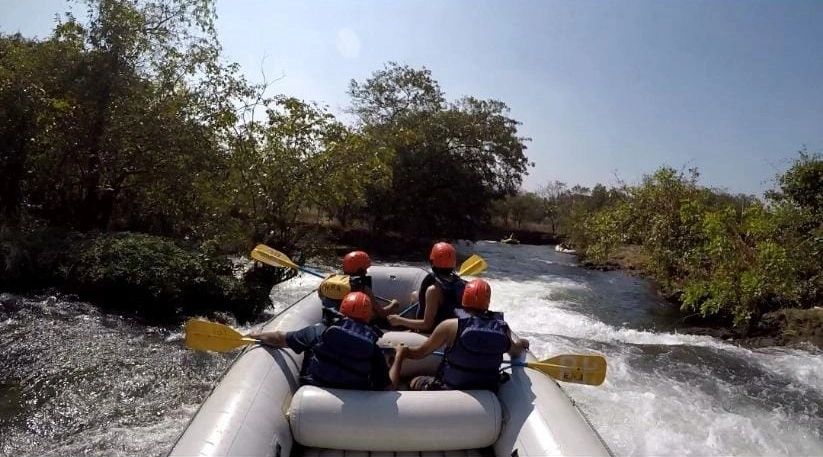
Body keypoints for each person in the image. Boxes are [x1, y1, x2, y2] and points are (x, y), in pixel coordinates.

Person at [393, 279, 529, 392]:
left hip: (450, 387)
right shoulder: (502, 327)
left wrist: (402, 352)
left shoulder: (449, 326)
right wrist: (522, 344)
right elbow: (515, 351)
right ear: (487, 301)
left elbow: (420, 353)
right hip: (486, 389)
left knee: (413, 381)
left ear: (464, 298)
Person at [250, 291, 402, 390]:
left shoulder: (319, 331)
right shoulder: (371, 348)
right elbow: (389, 388)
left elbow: (279, 339)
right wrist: (399, 356)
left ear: (341, 310)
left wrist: (257, 335)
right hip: (354, 405)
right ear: (368, 316)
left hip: (312, 393)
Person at [386, 242, 465, 333]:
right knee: (415, 295)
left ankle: (414, 330)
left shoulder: (433, 290)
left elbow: (427, 325)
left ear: (432, 261)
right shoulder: (458, 282)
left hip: (436, 332)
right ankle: (413, 328)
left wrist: (399, 320)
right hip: (453, 325)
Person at [318, 250, 399, 321]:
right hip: (351, 326)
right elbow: (382, 314)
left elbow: (322, 298)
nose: (366, 272)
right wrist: (393, 305)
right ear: (360, 269)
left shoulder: (328, 279)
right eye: (365, 269)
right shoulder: (361, 286)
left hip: (329, 321)